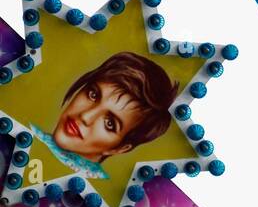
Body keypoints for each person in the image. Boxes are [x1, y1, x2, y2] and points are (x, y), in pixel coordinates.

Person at [33, 52, 180, 179]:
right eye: (93, 94)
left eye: (109, 123)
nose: (86, 116)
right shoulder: (29, 135)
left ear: (120, 148)